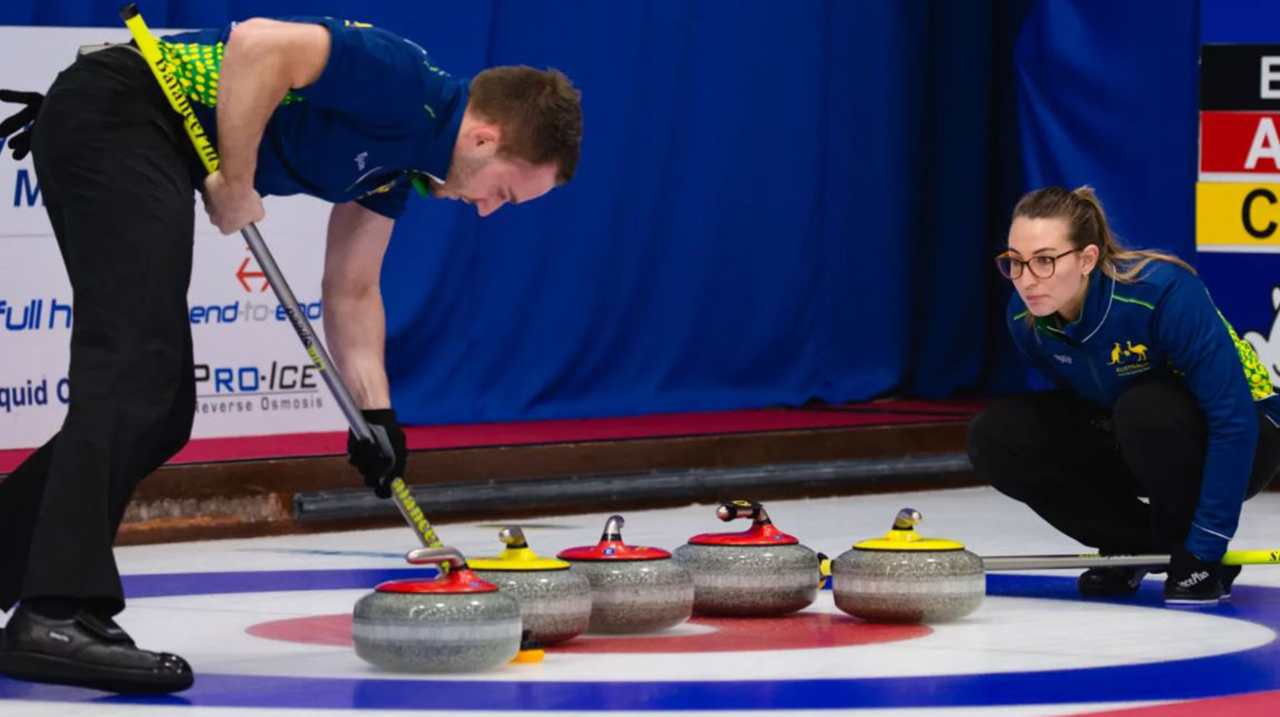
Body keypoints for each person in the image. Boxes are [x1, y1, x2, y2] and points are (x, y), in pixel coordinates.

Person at [0, 16, 582, 693]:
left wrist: (375, 417)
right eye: (503, 192)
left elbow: (352, 289)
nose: (486, 210)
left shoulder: (403, 168)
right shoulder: (403, 82)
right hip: (122, 108)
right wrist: (237, 180)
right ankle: (55, 612)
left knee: (163, 409)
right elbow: (257, 44)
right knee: (135, 372)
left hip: (144, 135)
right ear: (484, 138)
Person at [967, 186, 1280, 606]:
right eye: (1016, 262)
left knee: (1144, 408)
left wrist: (1206, 546)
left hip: (1250, 435)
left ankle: (1189, 547)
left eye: (1044, 260)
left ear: (1087, 259)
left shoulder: (1162, 292)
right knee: (996, 434)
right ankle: (1136, 546)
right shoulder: (1025, 316)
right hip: (1136, 431)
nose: (1026, 280)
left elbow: (1234, 420)